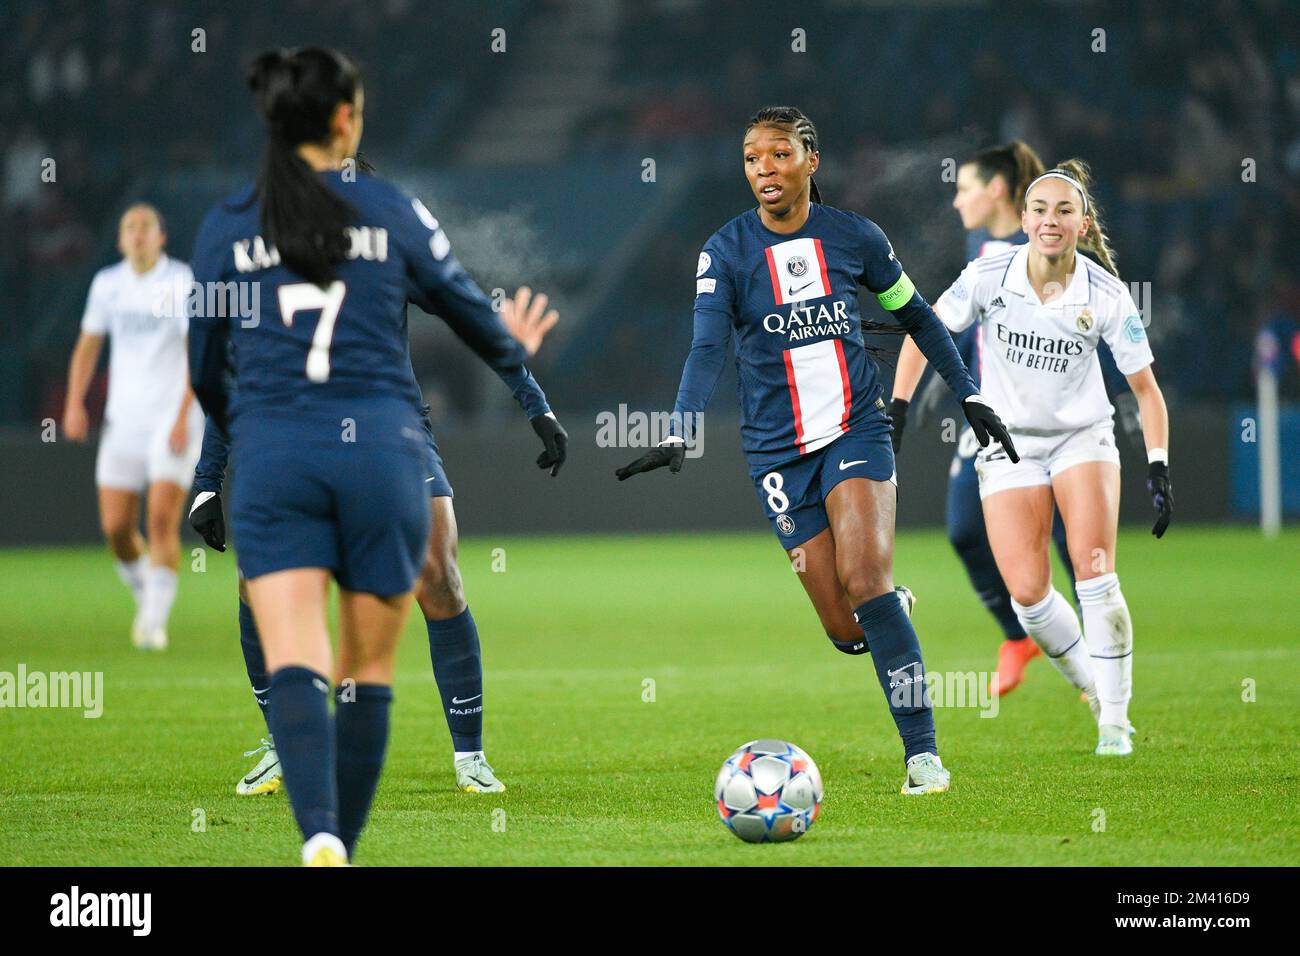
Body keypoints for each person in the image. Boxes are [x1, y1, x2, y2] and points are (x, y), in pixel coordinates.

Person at [188, 47, 566, 865]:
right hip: (377, 444)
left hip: (293, 444)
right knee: (364, 658)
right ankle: (331, 827)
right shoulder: (393, 211)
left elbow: (211, 369)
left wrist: (214, 471)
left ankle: (440, 766)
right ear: (343, 119)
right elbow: (473, 312)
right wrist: (525, 375)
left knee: (422, 582)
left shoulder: (231, 219)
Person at [616, 106, 1018, 795]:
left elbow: (915, 316)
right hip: (778, 454)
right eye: (751, 159)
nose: (764, 170)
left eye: (778, 155)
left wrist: (970, 393)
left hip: (856, 431)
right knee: (844, 624)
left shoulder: (855, 238)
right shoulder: (726, 251)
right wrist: (681, 424)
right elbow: (709, 345)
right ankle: (887, 612)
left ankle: (923, 755)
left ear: (811, 161)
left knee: (865, 578)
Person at [190, 288, 558, 797]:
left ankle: (470, 755)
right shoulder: (266, 255)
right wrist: (208, 478)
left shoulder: (387, 237)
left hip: (392, 429)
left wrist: (534, 403)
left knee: (438, 575)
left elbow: (466, 312)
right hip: (294, 432)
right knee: (258, 578)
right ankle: (284, 742)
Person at [929, 159, 1171, 757]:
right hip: (1009, 444)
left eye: (1064, 210)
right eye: (1040, 209)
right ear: (1025, 218)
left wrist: (1159, 465)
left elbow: (1146, 390)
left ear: (1084, 224)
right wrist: (903, 401)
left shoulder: (1108, 294)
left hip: (1081, 438)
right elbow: (927, 329)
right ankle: (1095, 688)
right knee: (1029, 596)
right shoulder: (988, 273)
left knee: (1094, 571)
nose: (1050, 220)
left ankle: (1114, 722)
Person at [889, 142, 1143, 697]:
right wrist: (927, 388)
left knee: (1077, 551)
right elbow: (951, 329)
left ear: (997, 191)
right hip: (994, 421)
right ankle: (1029, 635)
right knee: (968, 530)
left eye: (965, 189)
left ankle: (1094, 665)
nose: (957, 202)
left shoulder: (1039, 250)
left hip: (1052, 425)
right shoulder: (986, 251)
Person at [62, 202, 203, 651]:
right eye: (129, 227)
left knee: (160, 519)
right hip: (123, 420)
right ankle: (150, 594)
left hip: (171, 418)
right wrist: (73, 403)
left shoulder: (181, 281)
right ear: (121, 240)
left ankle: (154, 624)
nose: (137, 233)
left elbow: (195, 354)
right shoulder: (108, 285)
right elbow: (88, 346)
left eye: (146, 226)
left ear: (162, 237)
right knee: (117, 530)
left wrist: (183, 415)